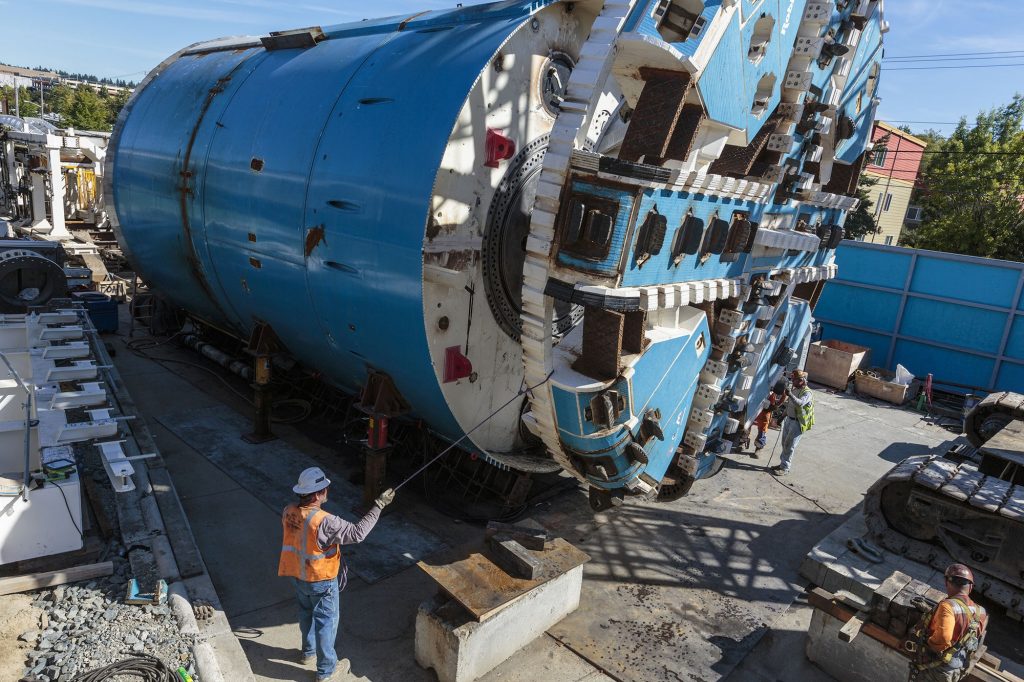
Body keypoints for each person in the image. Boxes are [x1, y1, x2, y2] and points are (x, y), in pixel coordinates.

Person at [279, 466, 395, 682]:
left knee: (306, 614)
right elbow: (358, 533)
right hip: (321, 581)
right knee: (326, 622)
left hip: (298, 575)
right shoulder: (325, 521)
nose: (327, 491)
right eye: (325, 488)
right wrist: (378, 506)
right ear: (317, 494)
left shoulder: (288, 511)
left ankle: (308, 653)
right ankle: (326, 672)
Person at [908, 563, 988, 682]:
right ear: (970, 587)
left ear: (946, 583)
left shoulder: (947, 606)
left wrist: (928, 643)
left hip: (937, 669)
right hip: (956, 668)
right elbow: (969, 632)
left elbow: (943, 638)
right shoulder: (981, 612)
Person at [770, 369, 814, 476]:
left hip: (798, 423)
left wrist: (790, 395)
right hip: (789, 420)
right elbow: (789, 406)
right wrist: (780, 418)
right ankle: (782, 464)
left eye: (795, 380)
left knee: (790, 446)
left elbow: (800, 403)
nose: (792, 382)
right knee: (785, 443)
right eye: (792, 379)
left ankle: (785, 468)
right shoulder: (794, 390)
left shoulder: (807, 393)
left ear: (802, 381)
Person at [752, 379, 787, 457]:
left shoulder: (775, 383)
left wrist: (776, 405)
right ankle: (743, 441)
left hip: (766, 411)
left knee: (762, 429)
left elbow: (784, 395)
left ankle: (759, 447)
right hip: (754, 406)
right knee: (747, 424)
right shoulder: (761, 381)